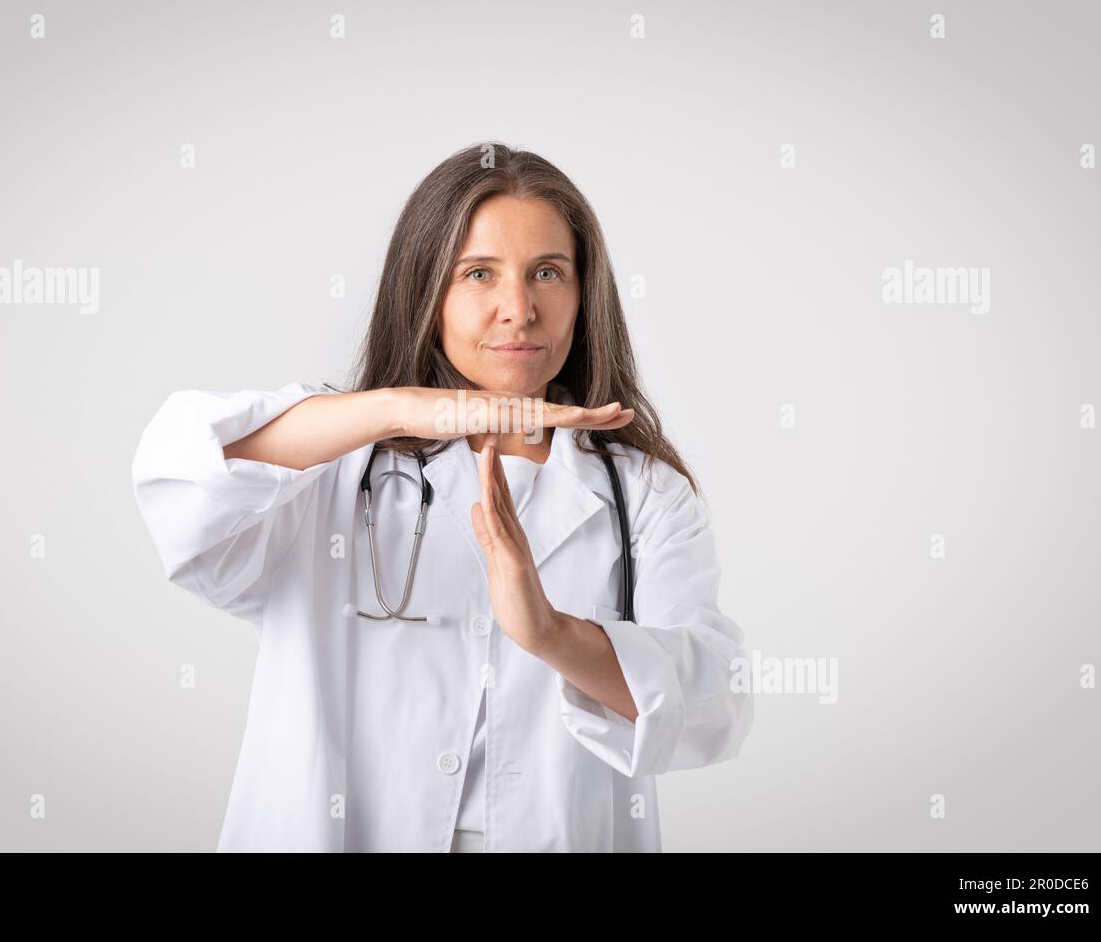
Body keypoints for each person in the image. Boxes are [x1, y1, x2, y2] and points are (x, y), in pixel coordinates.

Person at [131, 142, 754, 852]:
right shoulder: (338, 461)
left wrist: (551, 633)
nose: (517, 309)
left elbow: (714, 700)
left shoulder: (642, 493)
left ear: (584, 295)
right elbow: (182, 475)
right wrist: (399, 410)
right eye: (478, 274)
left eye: (547, 272)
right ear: (426, 292)